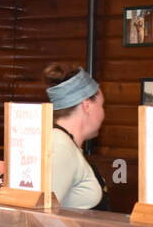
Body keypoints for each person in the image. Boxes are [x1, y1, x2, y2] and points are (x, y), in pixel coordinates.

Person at [41, 63, 108, 210]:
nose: (103, 113)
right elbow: (41, 213)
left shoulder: (63, 143)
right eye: (102, 105)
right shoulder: (60, 145)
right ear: (87, 105)